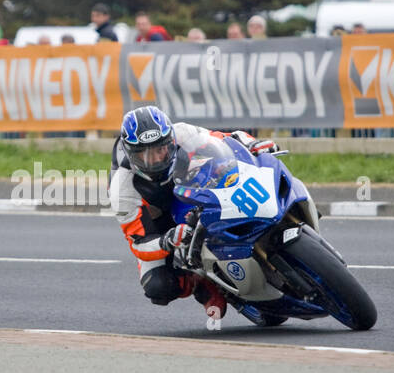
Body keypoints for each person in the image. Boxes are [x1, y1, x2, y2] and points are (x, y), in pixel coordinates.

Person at [109, 106, 281, 323]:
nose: (156, 159)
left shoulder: (182, 132)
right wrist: (166, 240)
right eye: (145, 155)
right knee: (158, 286)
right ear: (131, 154)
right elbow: (138, 243)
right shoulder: (122, 188)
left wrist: (252, 144)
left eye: (161, 149)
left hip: (189, 188)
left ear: (170, 139)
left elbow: (227, 140)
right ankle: (202, 282)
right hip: (158, 225)